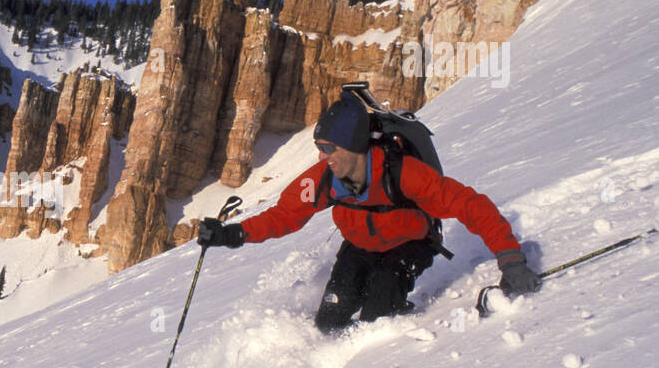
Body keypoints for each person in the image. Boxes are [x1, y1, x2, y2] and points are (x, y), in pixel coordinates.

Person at [197, 94, 541, 333]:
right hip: (359, 248)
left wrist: (511, 260)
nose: (322, 158)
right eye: (320, 150)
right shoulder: (325, 179)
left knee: (376, 315)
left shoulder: (403, 173)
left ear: (355, 146)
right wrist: (232, 234)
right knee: (329, 322)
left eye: (329, 149)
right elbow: (284, 215)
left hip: (408, 245)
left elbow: (470, 205)